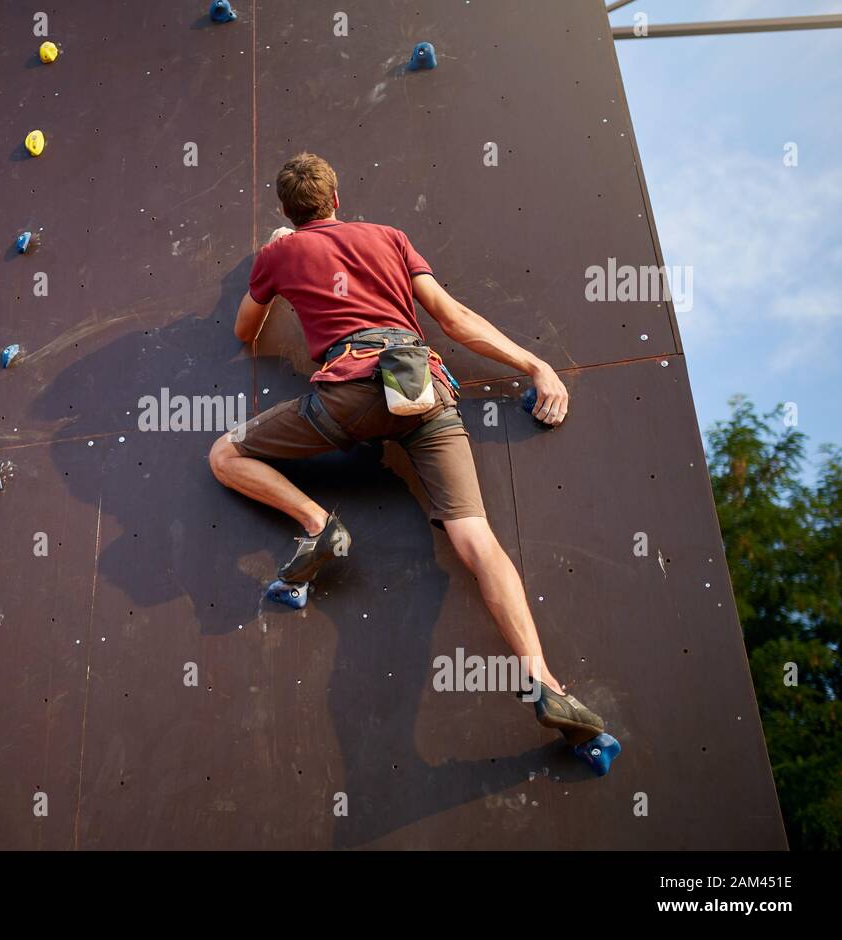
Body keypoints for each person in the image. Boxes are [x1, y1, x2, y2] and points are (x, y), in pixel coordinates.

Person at [209, 152, 607, 749]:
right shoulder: (390, 238)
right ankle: (544, 680)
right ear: (337, 199)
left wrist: (276, 255)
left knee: (225, 455)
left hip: (347, 392)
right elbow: (455, 319)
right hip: (421, 389)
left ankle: (319, 525)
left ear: (288, 211)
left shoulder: (280, 253)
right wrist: (535, 365)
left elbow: (246, 329)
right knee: (477, 539)